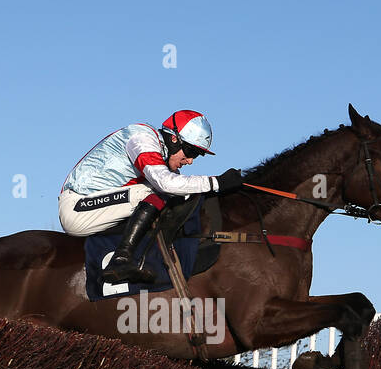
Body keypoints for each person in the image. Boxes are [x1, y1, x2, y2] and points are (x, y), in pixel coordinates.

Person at [58, 110, 244, 284]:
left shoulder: (162, 156)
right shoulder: (142, 138)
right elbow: (166, 183)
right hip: (77, 207)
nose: (191, 160)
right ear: (173, 139)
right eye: (191, 151)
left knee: (175, 194)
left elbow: (182, 188)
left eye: (197, 155)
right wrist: (216, 182)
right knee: (158, 191)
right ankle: (120, 260)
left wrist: (221, 188)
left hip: (98, 206)